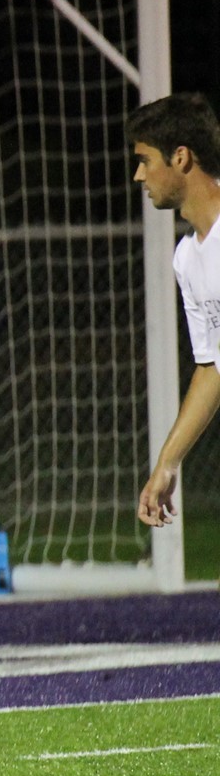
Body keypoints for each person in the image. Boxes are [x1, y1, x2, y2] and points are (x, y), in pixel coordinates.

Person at [131, 93, 220, 529]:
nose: (138, 175)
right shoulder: (187, 258)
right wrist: (168, 463)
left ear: (180, 157)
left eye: (146, 161)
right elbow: (212, 368)